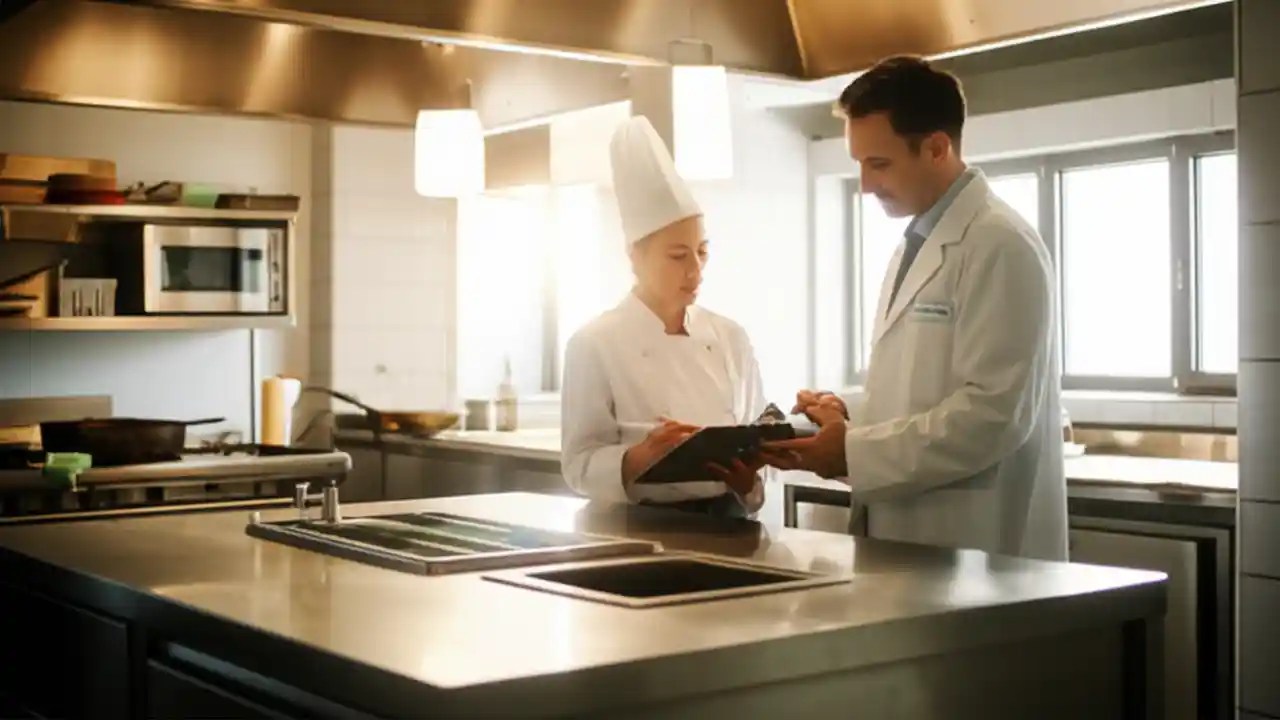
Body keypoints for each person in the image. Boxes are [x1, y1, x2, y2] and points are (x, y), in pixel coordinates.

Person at [762, 56, 1068, 561]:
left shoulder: (999, 244)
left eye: (878, 164)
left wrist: (853, 451)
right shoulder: (917, 243)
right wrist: (846, 411)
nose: (864, 185)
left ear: (936, 148)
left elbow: (992, 415)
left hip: (978, 545)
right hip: (914, 537)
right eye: (858, 164)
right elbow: (918, 388)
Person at [559, 115, 770, 519]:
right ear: (635, 257)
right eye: (677, 255)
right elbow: (578, 465)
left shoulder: (731, 337)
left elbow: (756, 451)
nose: (695, 270)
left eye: (702, 252)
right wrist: (637, 459)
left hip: (731, 525)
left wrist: (748, 483)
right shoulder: (594, 344)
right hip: (635, 530)